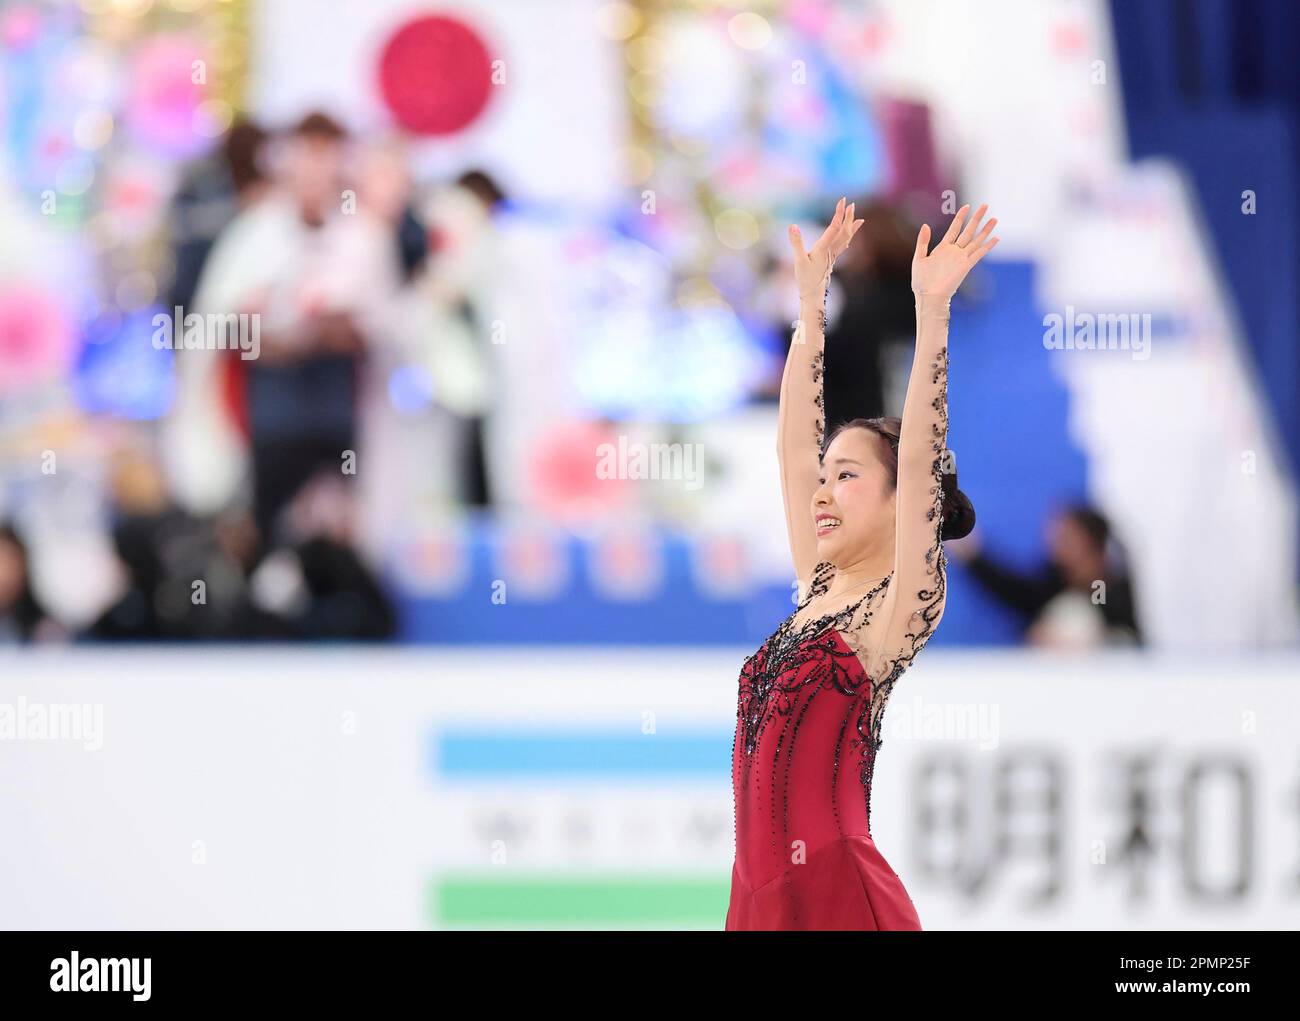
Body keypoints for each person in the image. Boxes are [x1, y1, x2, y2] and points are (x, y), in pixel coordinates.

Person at [726, 199, 997, 931]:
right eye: (827, 475)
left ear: (896, 501)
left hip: (836, 894)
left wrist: (930, 312)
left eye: (847, 475)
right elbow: (791, 449)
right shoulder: (818, 584)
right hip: (756, 900)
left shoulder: (893, 610)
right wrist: (810, 310)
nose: (822, 489)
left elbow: (915, 458)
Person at [950, 505, 1143, 646]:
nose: (1056, 545)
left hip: (1109, 678)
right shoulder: (1055, 579)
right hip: (1055, 680)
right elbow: (1017, 592)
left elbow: (1119, 627)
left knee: (1077, 614)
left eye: (1066, 537)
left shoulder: (1106, 586)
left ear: (1091, 543)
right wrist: (976, 558)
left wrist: (1089, 637)